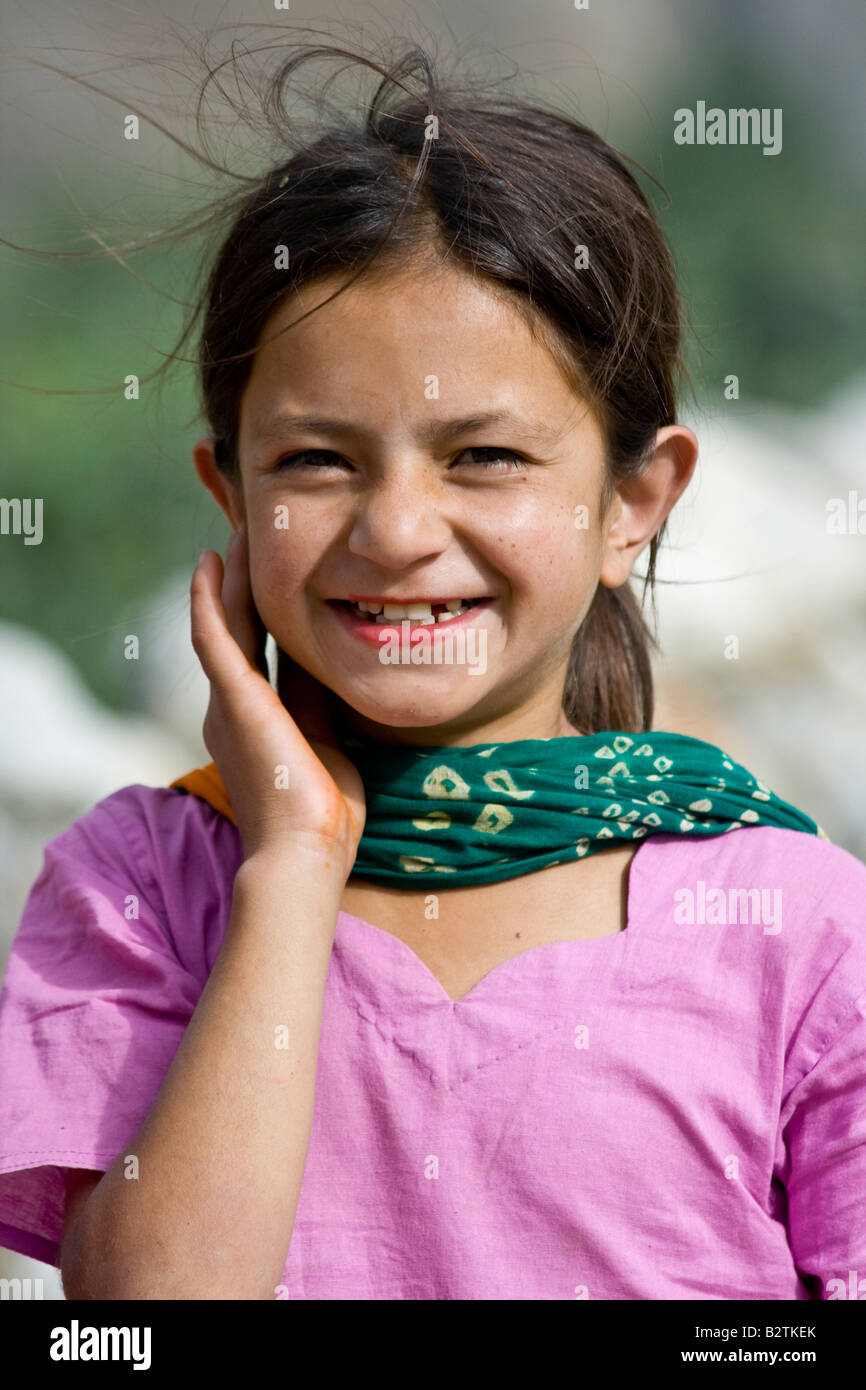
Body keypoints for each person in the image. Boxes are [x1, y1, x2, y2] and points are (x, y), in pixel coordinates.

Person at [0, 39, 864, 1301]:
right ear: (228, 495)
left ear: (633, 502)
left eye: (484, 458)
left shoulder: (799, 931)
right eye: (315, 461)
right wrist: (291, 864)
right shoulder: (145, 887)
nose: (396, 531)